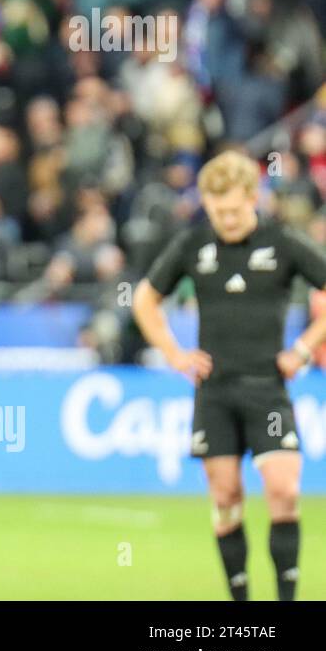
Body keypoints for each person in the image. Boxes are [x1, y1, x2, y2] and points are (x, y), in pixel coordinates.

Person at [133, 150, 326, 601]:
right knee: (225, 498)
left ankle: (286, 598)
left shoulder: (282, 242)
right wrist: (175, 354)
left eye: (236, 210)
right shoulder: (192, 246)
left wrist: (302, 348)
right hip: (214, 392)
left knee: (283, 490)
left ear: (254, 197)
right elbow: (144, 300)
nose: (228, 220)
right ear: (206, 204)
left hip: (267, 389)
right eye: (218, 212)